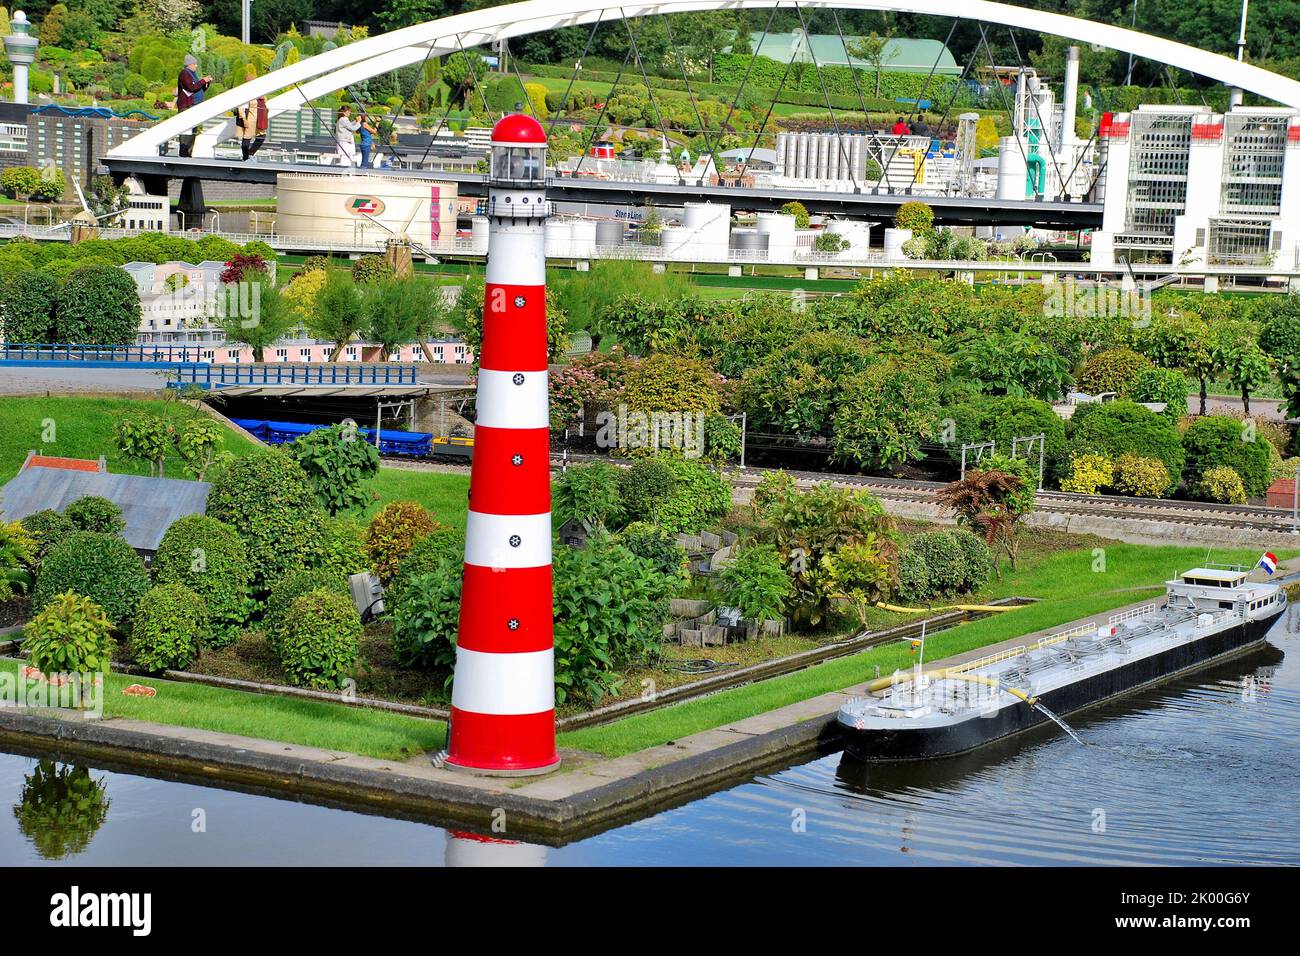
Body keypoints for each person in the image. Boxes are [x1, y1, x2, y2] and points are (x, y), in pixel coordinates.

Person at [176, 54, 213, 157]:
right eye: (194, 64)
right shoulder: (184, 73)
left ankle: (188, 153)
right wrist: (203, 80)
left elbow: (198, 88)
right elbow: (191, 88)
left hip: (195, 106)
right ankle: (184, 153)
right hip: (187, 106)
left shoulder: (192, 74)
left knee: (193, 130)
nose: (196, 66)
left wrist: (206, 83)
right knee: (186, 130)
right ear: (189, 64)